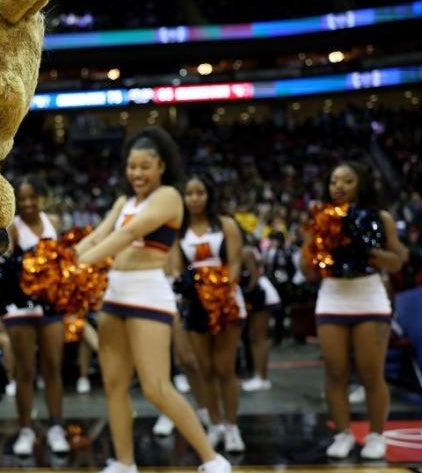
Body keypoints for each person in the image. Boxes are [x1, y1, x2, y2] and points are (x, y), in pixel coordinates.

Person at [75, 127, 230, 473]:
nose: (137, 174)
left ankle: (213, 459)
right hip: (115, 292)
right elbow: (97, 236)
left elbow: (129, 234)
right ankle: (124, 462)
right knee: (114, 384)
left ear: (161, 166)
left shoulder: (169, 197)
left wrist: (82, 264)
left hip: (148, 292)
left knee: (156, 387)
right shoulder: (122, 202)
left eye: (145, 166)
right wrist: (60, 261)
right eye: (132, 167)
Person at [300, 161, 408, 460]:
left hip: (369, 297)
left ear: (360, 184)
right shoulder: (320, 218)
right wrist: (315, 248)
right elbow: (306, 268)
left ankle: (376, 435)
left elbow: (398, 261)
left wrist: (368, 251)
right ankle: (343, 434)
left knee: (372, 373)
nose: (339, 186)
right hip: (333, 296)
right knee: (335, 373)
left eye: (347, 180)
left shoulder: (380, 217)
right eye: (334, 180)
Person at [175, 174, 246, 453]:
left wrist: (223, 290)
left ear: (209, 195)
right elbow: (176, 268)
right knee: (203, 368)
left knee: (224, 367)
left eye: (200, 193)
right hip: (195, 304)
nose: (194, 198)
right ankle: (215, 423)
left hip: (226, 300)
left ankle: (232, 427)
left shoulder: (225, 225)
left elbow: (236, 261)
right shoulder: (179, 231)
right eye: (189, 193)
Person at [3, 175, 70, 456]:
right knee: (26, 370)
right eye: (23, 198)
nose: (28, 203)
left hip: (51, 304)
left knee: (54, 366)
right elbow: (5, 263)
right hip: (21, 306)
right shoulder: (13, 227)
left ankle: (56, 427)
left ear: (41, 198)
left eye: (33, 197)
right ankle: (26, 429)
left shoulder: (54, 222)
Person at [240, 231, 282, 392]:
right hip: (258, 293)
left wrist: (246, 296)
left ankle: (262, 377)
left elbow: (254, 276)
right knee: (255, 338)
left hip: (260, 294)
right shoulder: (247, 250)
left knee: (258, 338)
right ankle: (259, 376)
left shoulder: (246, 251)